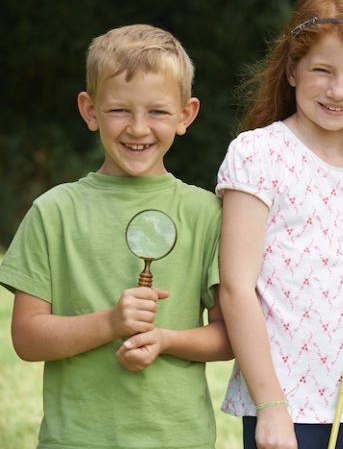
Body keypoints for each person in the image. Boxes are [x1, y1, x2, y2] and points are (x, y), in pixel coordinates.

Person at [0, 24, 232, 448]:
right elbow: (27, 339)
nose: (138, 128)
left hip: (178, 439)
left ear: (186, 114)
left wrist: (166, 340)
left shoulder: (208, 214)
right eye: (119, 110)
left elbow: (227, 335)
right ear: (90, 111)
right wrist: (110, 323)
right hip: (76, 440)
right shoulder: (54, 212)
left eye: (158, 112)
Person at [216, 0, 343, 449]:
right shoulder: (259, 154)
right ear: (291, 70)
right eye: (322, 70)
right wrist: (270, 407)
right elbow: (235, 288)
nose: (338, 90)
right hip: (283, 405)